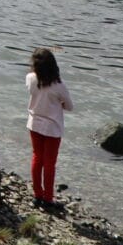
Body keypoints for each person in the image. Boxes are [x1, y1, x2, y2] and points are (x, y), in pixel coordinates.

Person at [27, 47, 73, 211]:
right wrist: (58, 103)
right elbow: (69, 106)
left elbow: (33, 90)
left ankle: (37, 195)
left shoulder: (30, 78)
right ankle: (48, 198)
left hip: (34, 123)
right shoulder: (59, 85)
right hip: (52, 127)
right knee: (49, 163)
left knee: (37, 158)